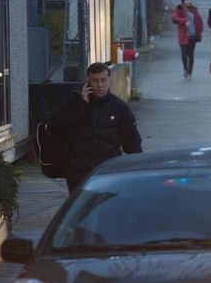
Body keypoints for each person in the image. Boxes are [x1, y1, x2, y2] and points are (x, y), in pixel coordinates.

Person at [46, 62, 143, 193]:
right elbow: (56, 127)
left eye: (103, 80)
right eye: (95, 81)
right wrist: (81, 105)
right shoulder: (75, 102)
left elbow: (132, 142)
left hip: (108, 172)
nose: (100, 85)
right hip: (79, 172)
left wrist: (138, 170)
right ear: (88, 82)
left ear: (109, 80)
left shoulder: (119, 108)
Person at [171, 0, 203, 79]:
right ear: (183, 1)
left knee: (191, 54)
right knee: (184, 54)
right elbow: (174, 19)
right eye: (187, 0)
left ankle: (190, 73)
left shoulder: (194, 10)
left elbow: (199, 20)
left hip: (193, 34)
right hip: (184, 35)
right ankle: (185, 68)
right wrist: (184, 21)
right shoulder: (179, 9)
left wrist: (200, 29)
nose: (189, 1)